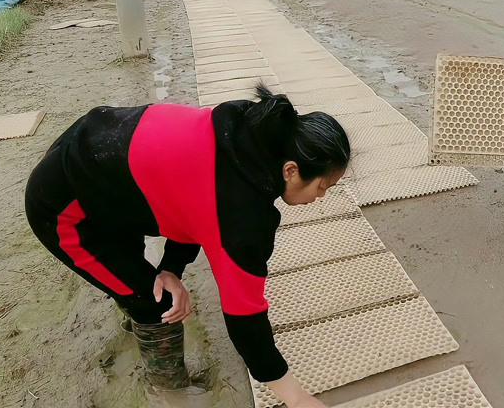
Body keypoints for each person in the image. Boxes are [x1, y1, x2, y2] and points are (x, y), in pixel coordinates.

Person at [24, 84, 349, 408]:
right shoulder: (243, 216)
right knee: (155, 300)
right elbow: (245, 317)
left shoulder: (244, 128)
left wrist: (170, 269)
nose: (320, 197)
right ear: (291, 171)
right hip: (63, 210)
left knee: (139, 278)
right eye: (323, 186)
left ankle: (134, 309)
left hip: (102, 163)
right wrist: (295, 396)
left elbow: (191, 201)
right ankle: (169, 392)